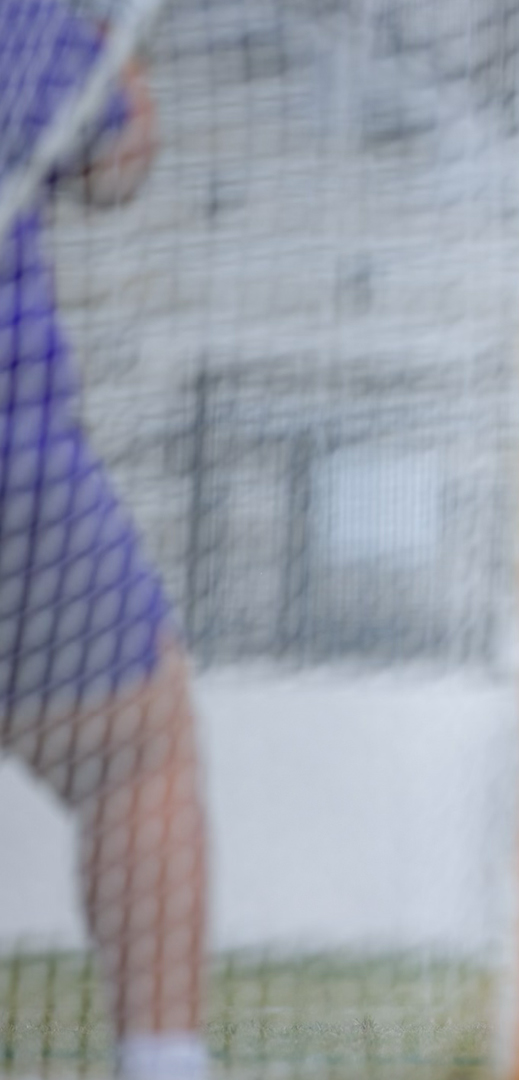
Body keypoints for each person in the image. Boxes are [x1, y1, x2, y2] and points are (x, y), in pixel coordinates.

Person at [3, 3, 210, 1077]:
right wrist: (110, 38)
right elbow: (117, 157)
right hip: (11, 466)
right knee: (138, 756)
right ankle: (164, 1060)